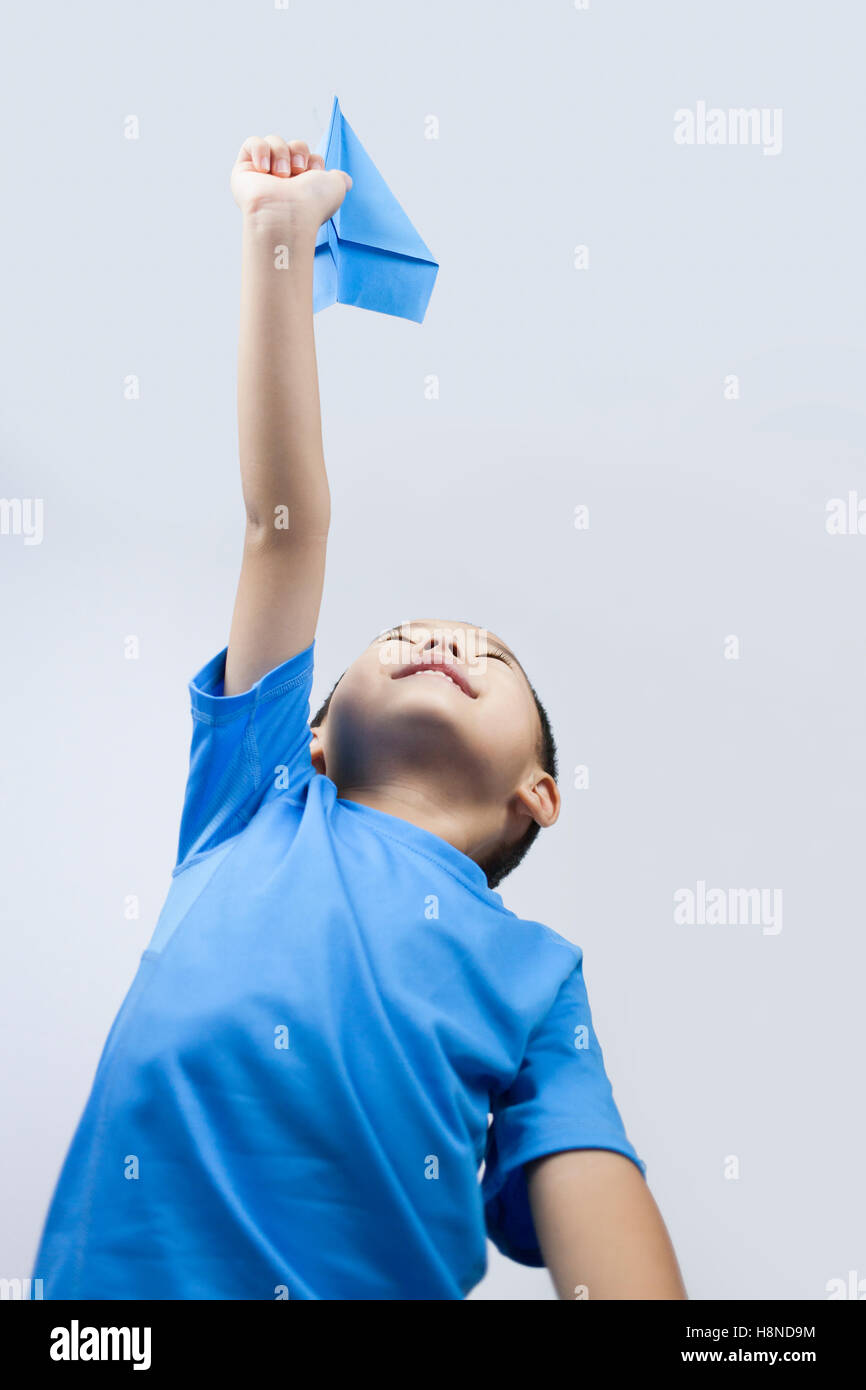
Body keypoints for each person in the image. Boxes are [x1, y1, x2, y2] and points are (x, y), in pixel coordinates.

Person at [32, 132, 686, 1300]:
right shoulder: (258, 799)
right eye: (403, 636)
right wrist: (277, 235)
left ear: (538, 791)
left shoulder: (536, 976)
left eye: (489, 655)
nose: (445, 641)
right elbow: (283, 525)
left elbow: (592, 1182)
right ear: (314, 736)